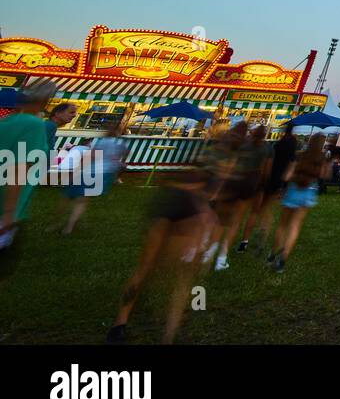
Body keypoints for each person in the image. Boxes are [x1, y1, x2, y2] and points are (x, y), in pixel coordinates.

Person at [107, 167, 214, 343]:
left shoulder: (178, 183)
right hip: (189, 213)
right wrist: (202, 247)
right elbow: (205, 216)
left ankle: (119, 324)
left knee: (144, 268)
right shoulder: (202, 189)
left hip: (165, 206)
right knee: (183, 278)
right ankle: (169, 336)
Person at [0, 80, 58, 265]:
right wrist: (10, 213)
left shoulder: (8, 122)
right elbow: (18, 168)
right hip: (7, 205)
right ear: (45, 101)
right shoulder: (33, 124)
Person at [269, 132, 330, 272]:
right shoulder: (321, 158)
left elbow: (287, 176)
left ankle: (273, 253)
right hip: (309, 192)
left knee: (283, 225)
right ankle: (282, 260)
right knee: (295, 226)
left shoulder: (300, 155)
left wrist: (282, 187)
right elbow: (323, 175)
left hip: (294, 190)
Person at [214, 123, 268, 270]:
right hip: (250, 182)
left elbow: (231, 163)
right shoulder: (264, 149)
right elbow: (263, 170)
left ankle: (210, 250)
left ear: (252, 132)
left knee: (222, 217)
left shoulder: (243, 145)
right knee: (236, 220)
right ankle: (221, 258)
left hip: (235, 179)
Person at [59, 119, 127, 234]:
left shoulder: (102, 142)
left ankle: (60, 223)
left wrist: (76, 171)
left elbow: (90, 157)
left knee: (68, 197)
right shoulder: (121, 143)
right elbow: (124, 158)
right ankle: (70, 225)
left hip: (91, 171)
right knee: (82, 200)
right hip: (105, 174)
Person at [241, 126, 295, 251]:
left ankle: (251, 236)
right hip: (277, 180)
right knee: (265, 209)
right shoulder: (291, 146)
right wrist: (285, 182)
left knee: (257, 210)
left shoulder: (276, 145)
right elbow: (291, 165)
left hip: (267, 177)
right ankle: (263, 233)